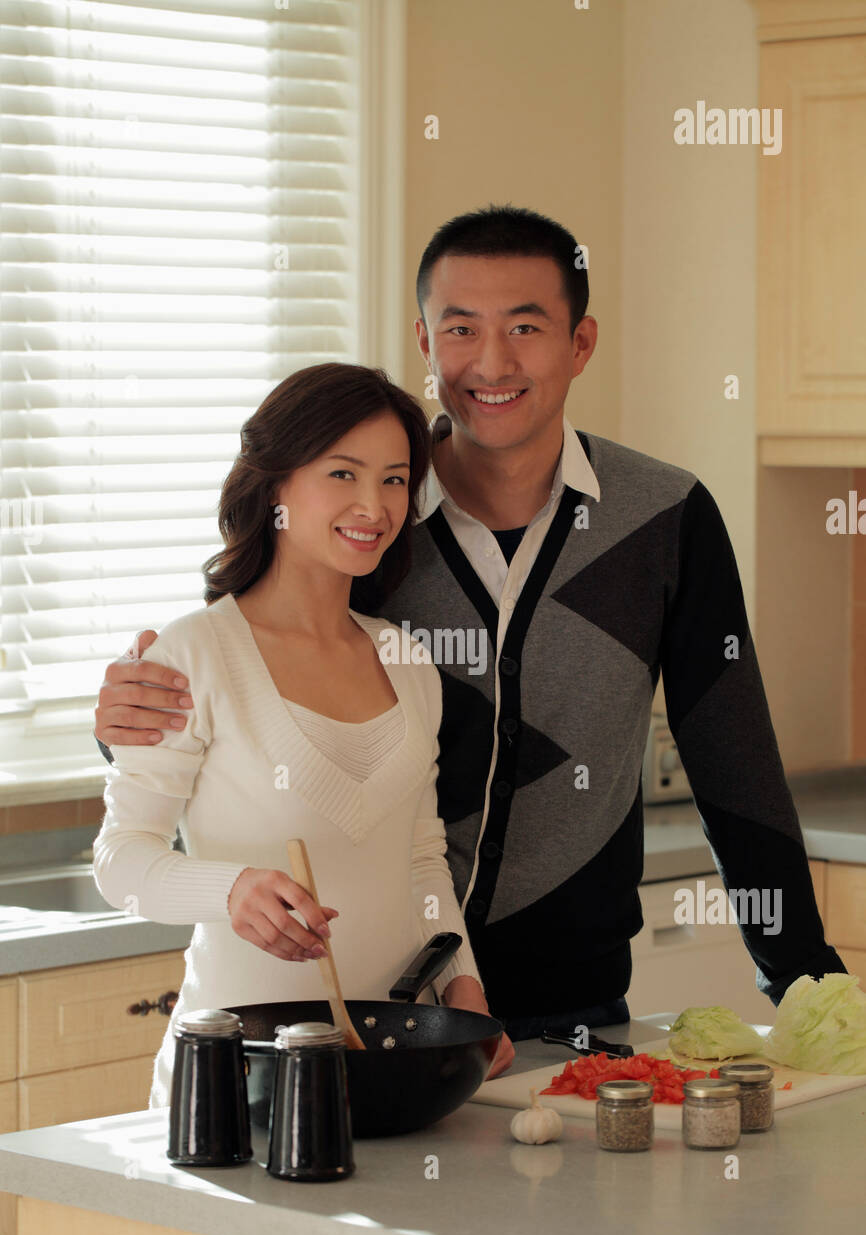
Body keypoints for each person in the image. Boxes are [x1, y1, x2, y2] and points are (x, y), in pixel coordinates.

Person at [95, 204, 847, 1043]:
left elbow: (732, 760)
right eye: (461, 329)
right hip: (392, 1009)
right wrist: (127, 724)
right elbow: (247, 686)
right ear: (426, 343)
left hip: (575, 1001)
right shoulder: (368, 525)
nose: (492, 362)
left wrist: (808, 986)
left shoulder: (663, 518)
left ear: (581, 343)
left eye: (526, 327)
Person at [92, 362, 515, 1106]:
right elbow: (121, 863)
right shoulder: (192, 656)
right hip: (236, 1079)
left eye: (393, 479)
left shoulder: (406, 659)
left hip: (391, 1067)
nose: (374, 505)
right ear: (276, 484)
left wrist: (464, 987)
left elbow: (421, 860)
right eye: (343, 474)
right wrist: (230, 890)